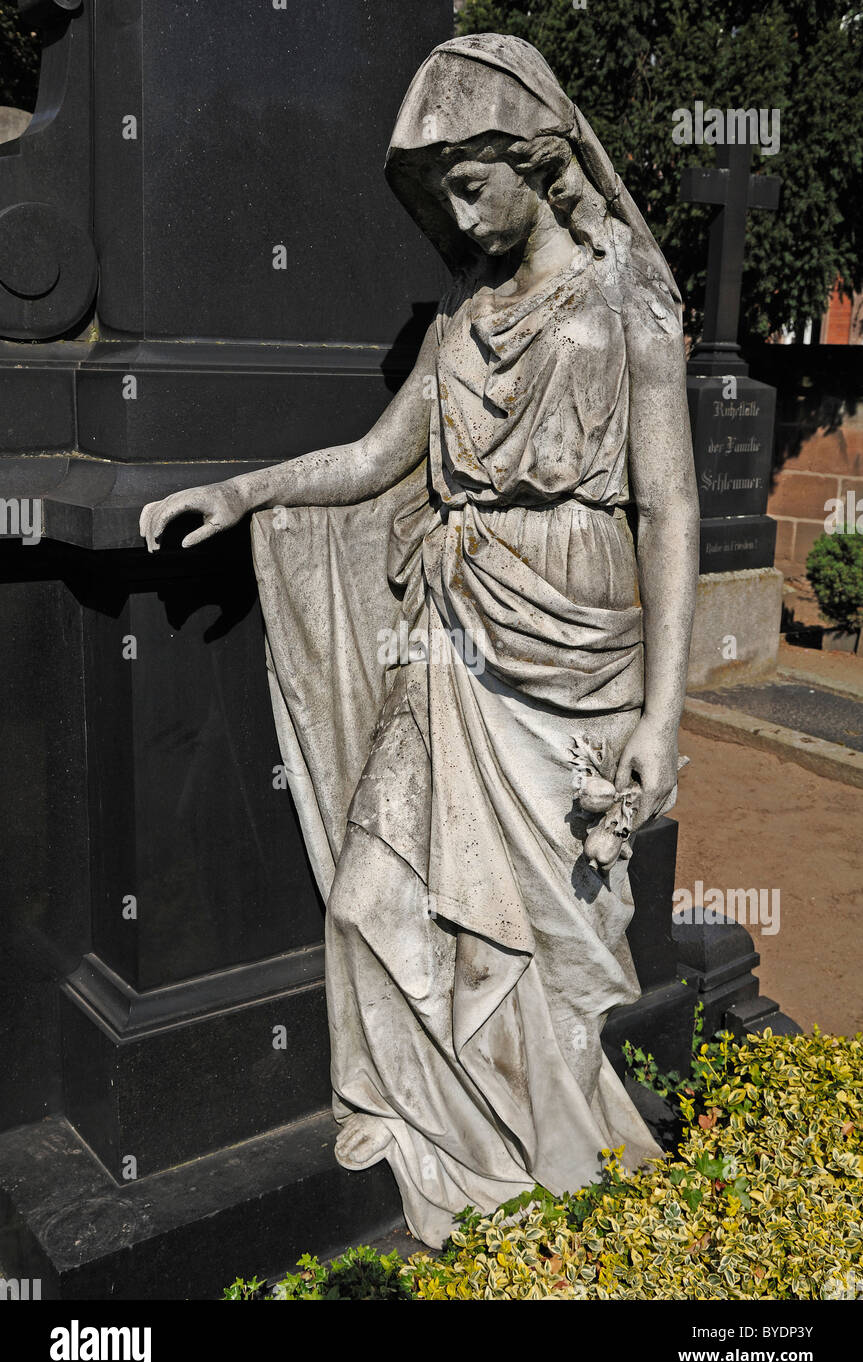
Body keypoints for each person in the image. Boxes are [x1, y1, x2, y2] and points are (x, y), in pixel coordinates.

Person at [140, 33, 699, 1248]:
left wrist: (662, 718)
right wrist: (241, 494)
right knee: (366, 903)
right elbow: (369, 461)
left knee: (542, 946)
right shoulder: (466, 314)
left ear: (535, 160)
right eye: (437, 186)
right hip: (455, 644)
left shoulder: (628, 307)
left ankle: (554, 1153)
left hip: (575, 646)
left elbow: (668, 509)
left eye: (464, 181)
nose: (450, 210)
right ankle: (440, 1120)